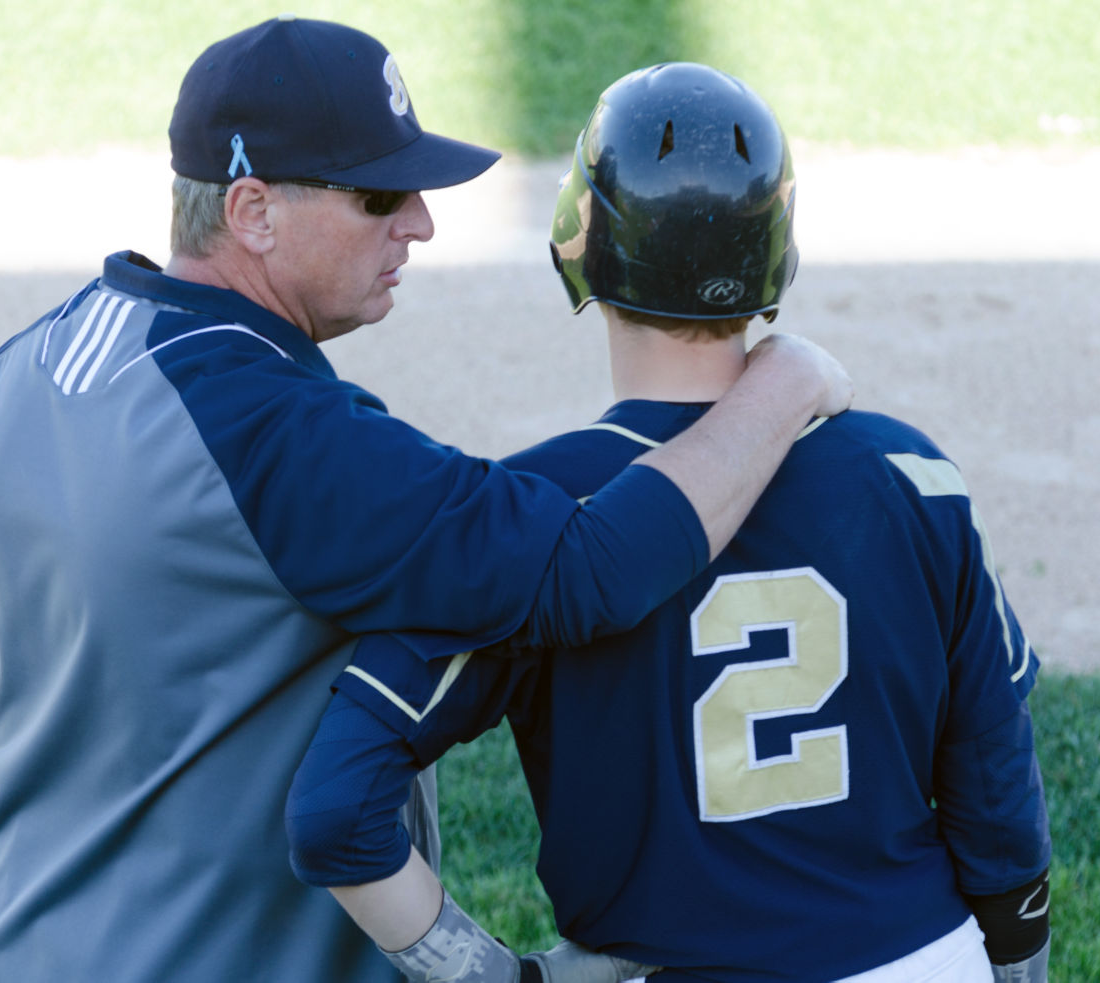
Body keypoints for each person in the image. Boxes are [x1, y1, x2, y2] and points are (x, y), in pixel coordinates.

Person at [0, 18, 853, 983]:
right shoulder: (279, 432)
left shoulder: (21, 370)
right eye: (377, 196)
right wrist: (783, 383)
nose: (419, 222)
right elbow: (592, 570)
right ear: (252, 210)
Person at [285, 63, 1052, 983]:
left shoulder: (523, 516)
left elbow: (337, 811)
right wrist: (1017, 965)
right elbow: (994, 779)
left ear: (581, 243)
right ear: (775, 249)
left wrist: (499, 977)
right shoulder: (916, 474)